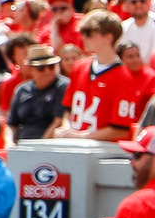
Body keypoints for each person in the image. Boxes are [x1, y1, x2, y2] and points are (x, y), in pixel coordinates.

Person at [56, 10, 139, 142]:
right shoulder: (79, 67)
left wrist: (79, 136)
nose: (83, 37)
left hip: (101, 151)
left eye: (89, 33)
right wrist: (67, 130)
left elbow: (120, 129)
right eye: (82, 33)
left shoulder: (123, 77)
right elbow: (68, 109)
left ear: (108, 38)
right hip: (74, 146)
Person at [6, 44, 68, 142]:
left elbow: (58, 122)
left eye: (51, 66)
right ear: (31, 69)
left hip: (48, 146)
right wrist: (10, 145)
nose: (47, 71)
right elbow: (11, 124)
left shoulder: (63, 87)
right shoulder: (22, 89)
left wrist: (40, 146)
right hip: (22, 144)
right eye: (41, 68)